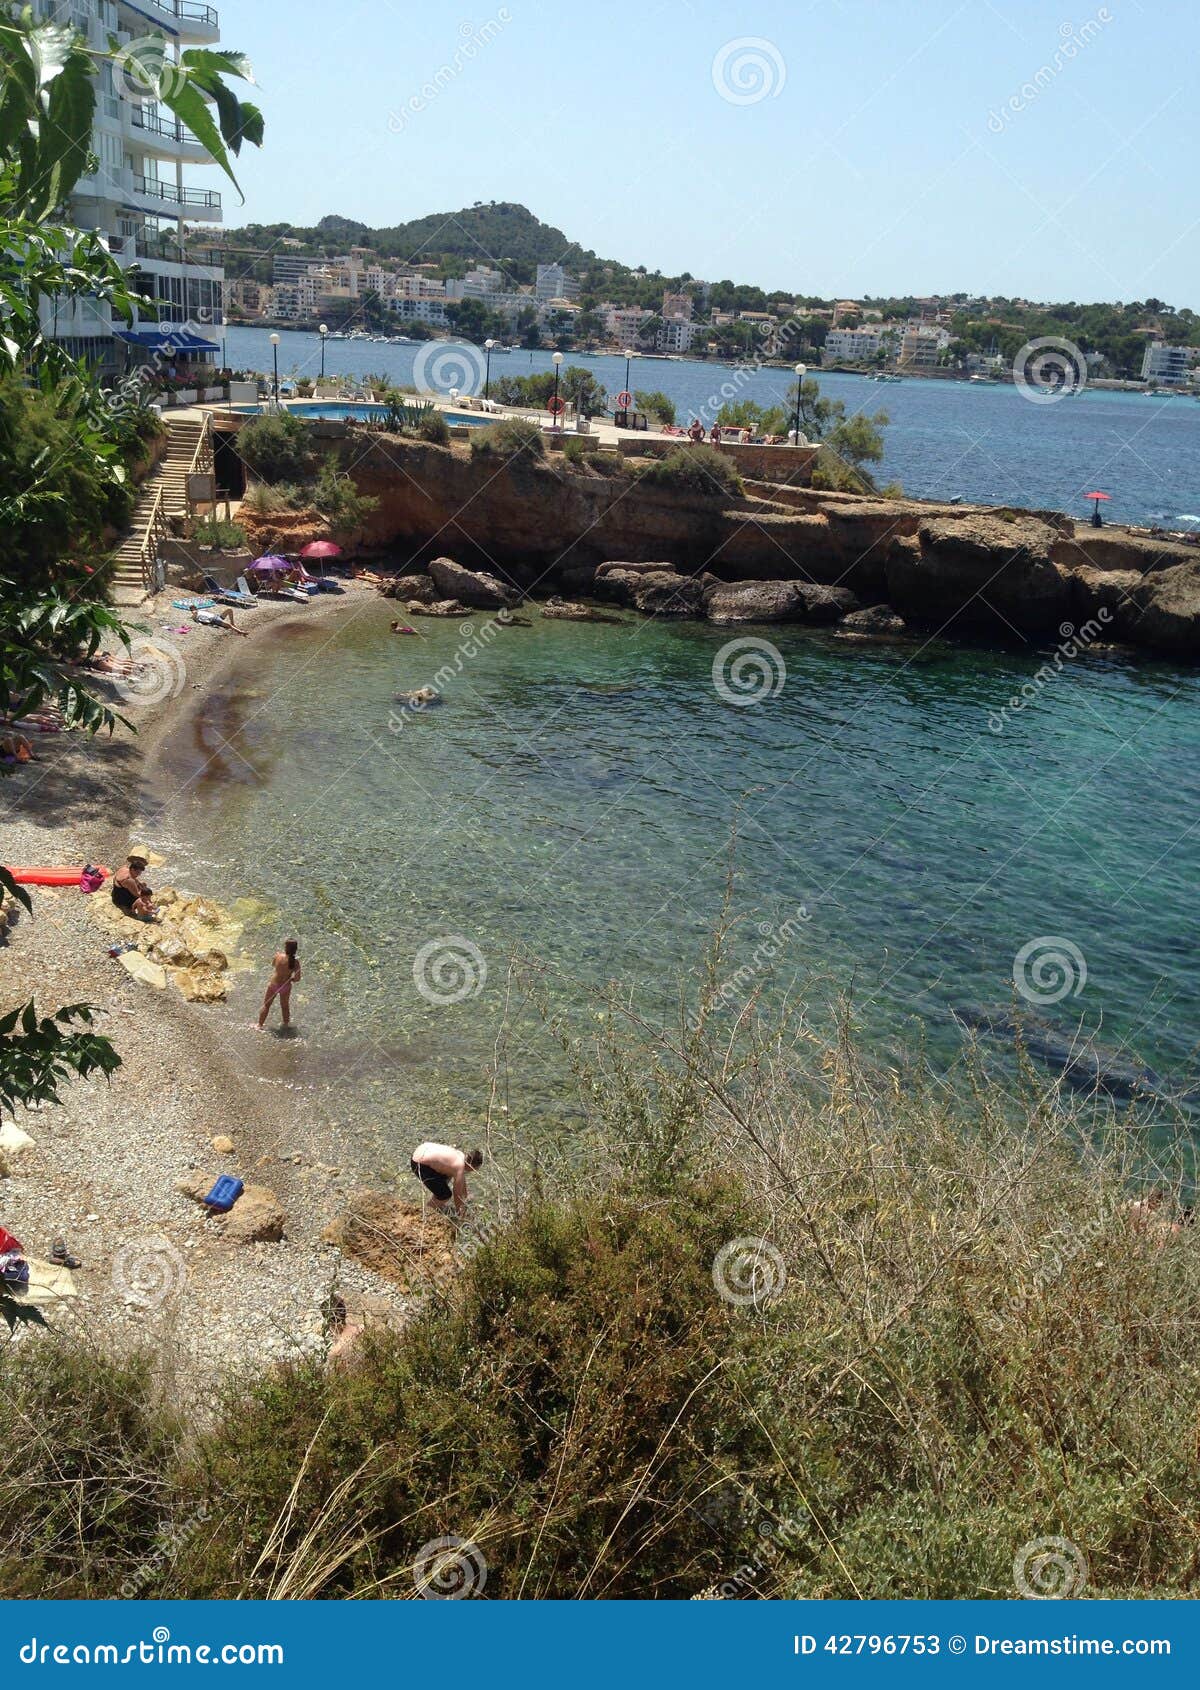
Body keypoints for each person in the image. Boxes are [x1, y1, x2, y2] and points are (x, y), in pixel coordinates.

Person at [410, 1140, 483, 1218]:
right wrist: (460, 1213)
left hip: (421, 1150)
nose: (473, 1171)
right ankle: (424, 1212)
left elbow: (462, 1182)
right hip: (419, 1164)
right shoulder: (459, 1169)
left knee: (448, 1175)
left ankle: (437, 1202)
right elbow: (457, 1195)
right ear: (471, 1166)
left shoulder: (461, 1155)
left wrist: (465, 1196)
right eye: (475, 1169)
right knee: (445, 1195)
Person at [258, 939, 301, 1030]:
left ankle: (259, 1025)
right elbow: (297, 979)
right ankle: (286, 1025)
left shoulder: (278, 956)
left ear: (285, 947)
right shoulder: (296, 962)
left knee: (266, 1005)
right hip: (285, 986)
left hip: (274, 984)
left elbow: (273, 965)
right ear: (296, 949)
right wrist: (291, 979)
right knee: (285, 1006)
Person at [111, 854, 155, 919]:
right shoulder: (129, 881)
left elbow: (133, 878)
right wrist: (147, 897)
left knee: (142, 885)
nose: (139, 875)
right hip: (121, 900)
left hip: (115, 892)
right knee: (141, 901)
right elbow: (137, 895)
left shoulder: (124, 868)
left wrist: (139, 884)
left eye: (140, 873)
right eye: (137, 873)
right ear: (132, 869)